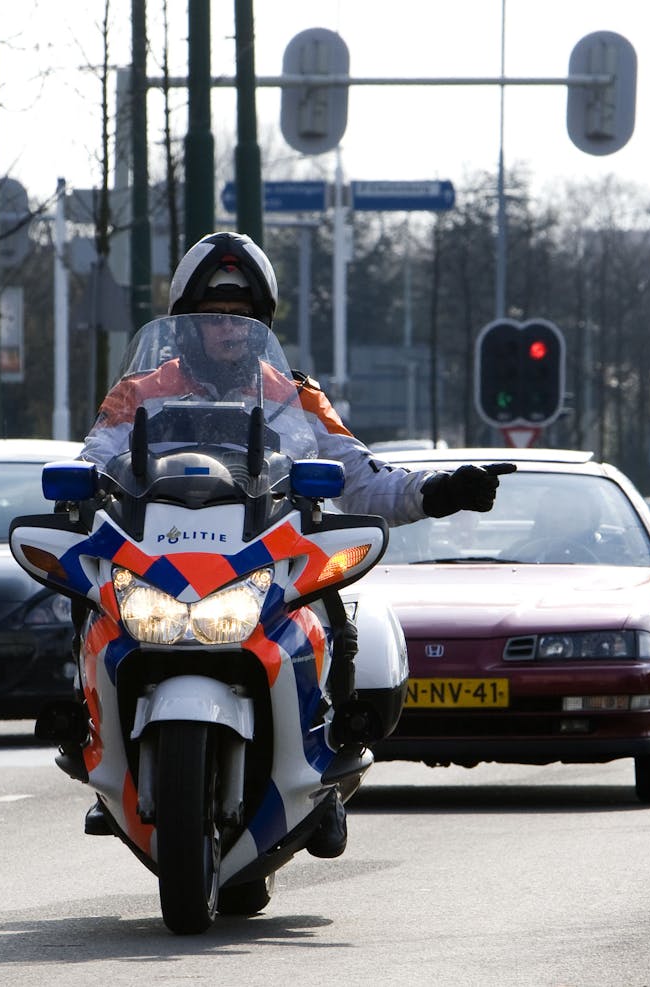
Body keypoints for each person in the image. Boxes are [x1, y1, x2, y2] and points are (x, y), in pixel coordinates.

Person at [74, 231, 513, 857]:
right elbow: (95, 459)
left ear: (263, 323)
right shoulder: (139, 392)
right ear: (186, 322)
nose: (229, 328)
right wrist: (78, 484)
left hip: (265, 552)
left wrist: (441, 490)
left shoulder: (296, 396)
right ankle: (87, 735)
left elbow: (362, 476)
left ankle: (331, 769)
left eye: (242, 315)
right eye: (215, 315)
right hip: (162, 555)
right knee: (87, 597)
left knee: (333, 609)